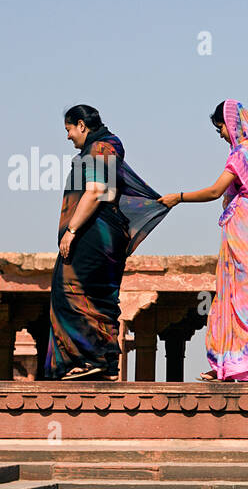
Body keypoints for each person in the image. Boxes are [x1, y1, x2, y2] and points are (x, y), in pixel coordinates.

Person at [161, 100, 248, 382]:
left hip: (247, 231)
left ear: (231, 124)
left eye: (220, 127)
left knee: (240, 299)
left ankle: (237, 365)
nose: (220, 134)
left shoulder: (242, 154)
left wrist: (177, 198)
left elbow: (216, 191)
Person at [46, 105, 169, 380]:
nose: (68, 137)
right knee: (97, 294)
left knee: (71, 290)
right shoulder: (106, 146)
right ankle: (103, 363)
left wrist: (72, 230)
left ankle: (89, 359)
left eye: (68, 130)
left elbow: (97, 191)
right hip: (105, 232)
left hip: (94, 231)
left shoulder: (101, 148)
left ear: (81, 125)